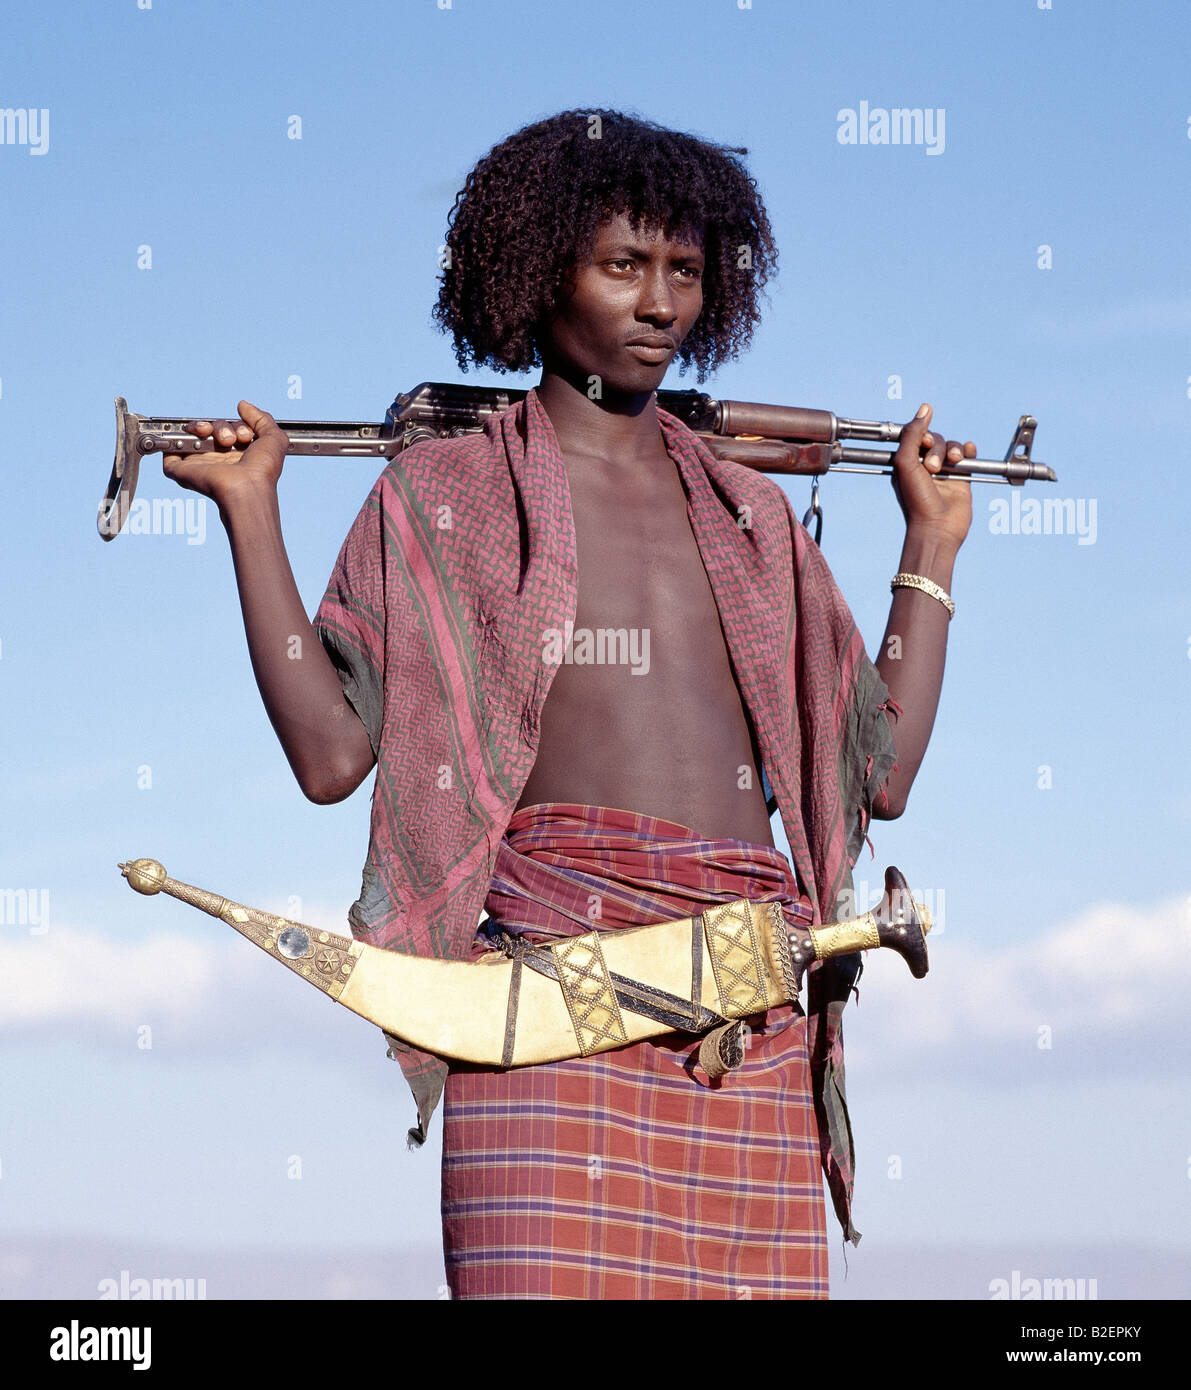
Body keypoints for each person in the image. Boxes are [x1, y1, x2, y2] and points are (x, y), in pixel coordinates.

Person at [162, 109, 974, 1300]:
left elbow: (879, 778)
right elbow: (333, 755)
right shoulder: (444, 497)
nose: (660, 304)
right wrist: (251, 513)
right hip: (545, 1020)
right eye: (624, 266)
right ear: (539, 272)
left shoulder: (753, 520)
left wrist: (933, 546)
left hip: (744, 1031)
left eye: (685, 272)